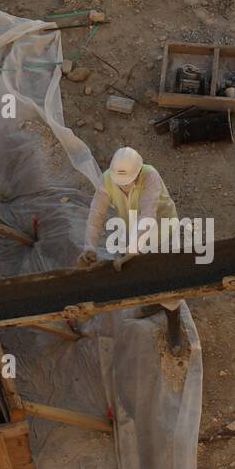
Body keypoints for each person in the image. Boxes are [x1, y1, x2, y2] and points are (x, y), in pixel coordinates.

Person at [78, 146, 185, 350]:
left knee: (170, 279)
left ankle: (174, 323)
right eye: (121, 186)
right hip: (134, 229)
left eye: (128, 184)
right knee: (145, 275)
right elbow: (96, 215)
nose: (124, 188)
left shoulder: (150, 176)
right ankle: (155, 301)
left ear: (138, 174)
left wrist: (132, 248)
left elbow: (148, 215)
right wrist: (89, 245)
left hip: (163, 231)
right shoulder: (108, 180)